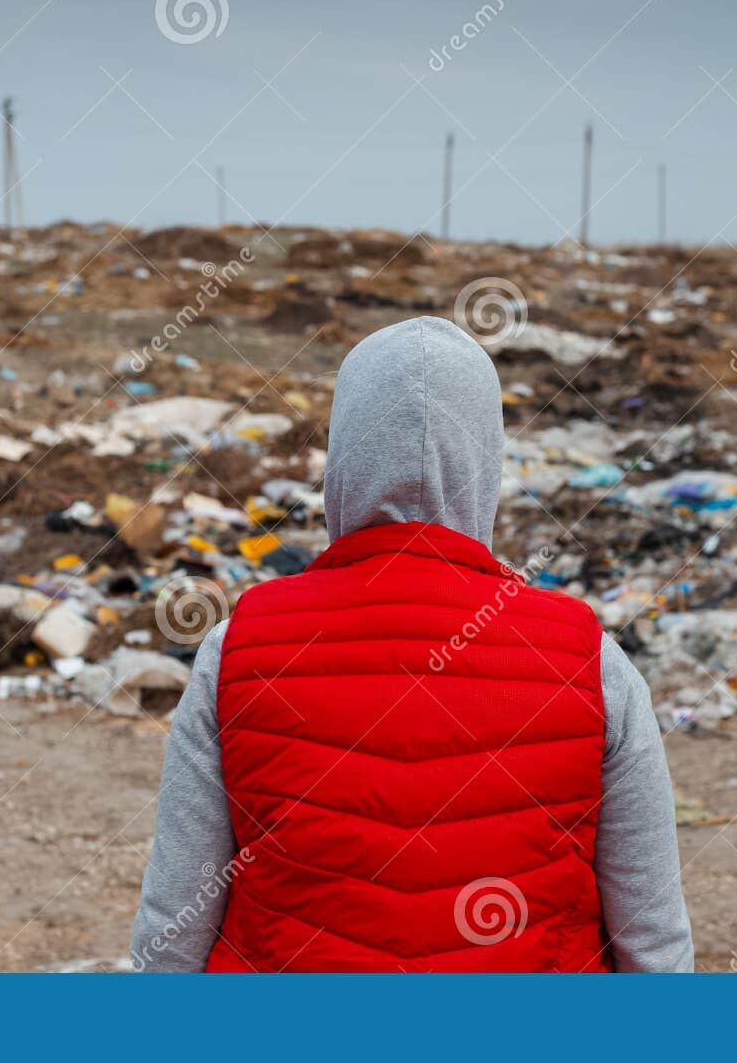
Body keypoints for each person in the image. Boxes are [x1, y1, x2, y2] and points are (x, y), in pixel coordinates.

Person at [131, 315, 692, 972]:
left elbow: (175, 920)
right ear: (485, 460)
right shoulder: (587, 658)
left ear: (344, 459)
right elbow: (652, 933)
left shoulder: (238, 646)